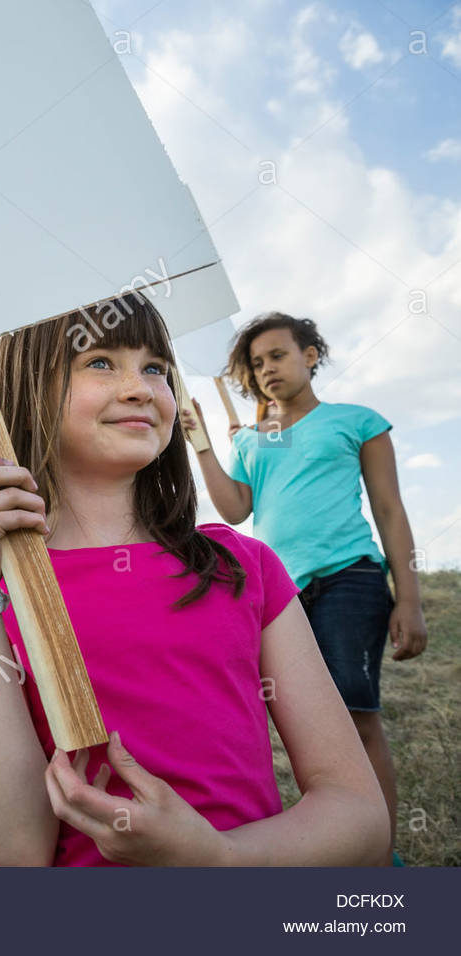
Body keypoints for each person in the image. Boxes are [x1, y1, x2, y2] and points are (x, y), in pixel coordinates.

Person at [0, 294, 388, 866]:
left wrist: (215, 858)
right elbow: (18, 849)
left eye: (155, 368)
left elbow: (361, 816)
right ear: (27, 390)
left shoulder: (243, 567)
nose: (140, 388)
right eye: (100, 362)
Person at [184, 311, 427, 863]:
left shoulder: (357, 421)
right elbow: (235, 509)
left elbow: (390, 509)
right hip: (281, 597)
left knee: (355, 717)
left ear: (310, 355)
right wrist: (202, 446)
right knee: (305, 727)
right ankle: (335, 840)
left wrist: (408, 597)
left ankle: (379, 860)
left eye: (277, 354)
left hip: (351, 577)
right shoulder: (254, 441)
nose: (266, 368)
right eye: (256, 362)